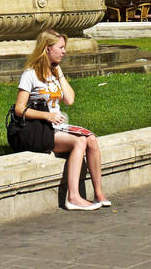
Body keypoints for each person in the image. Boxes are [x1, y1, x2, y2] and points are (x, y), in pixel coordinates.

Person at [14, 30, 110, 211]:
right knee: (80, 141)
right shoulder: (30, 74)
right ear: (47, 49)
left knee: (92, 139)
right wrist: (47, 115)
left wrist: (59, 73)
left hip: (58, 127)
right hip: (40, 128)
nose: (64, 51)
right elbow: (19, 109)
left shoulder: (54, 72)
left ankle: (98, 192)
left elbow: (70, 100)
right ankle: (73, 197)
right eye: (61, 47)